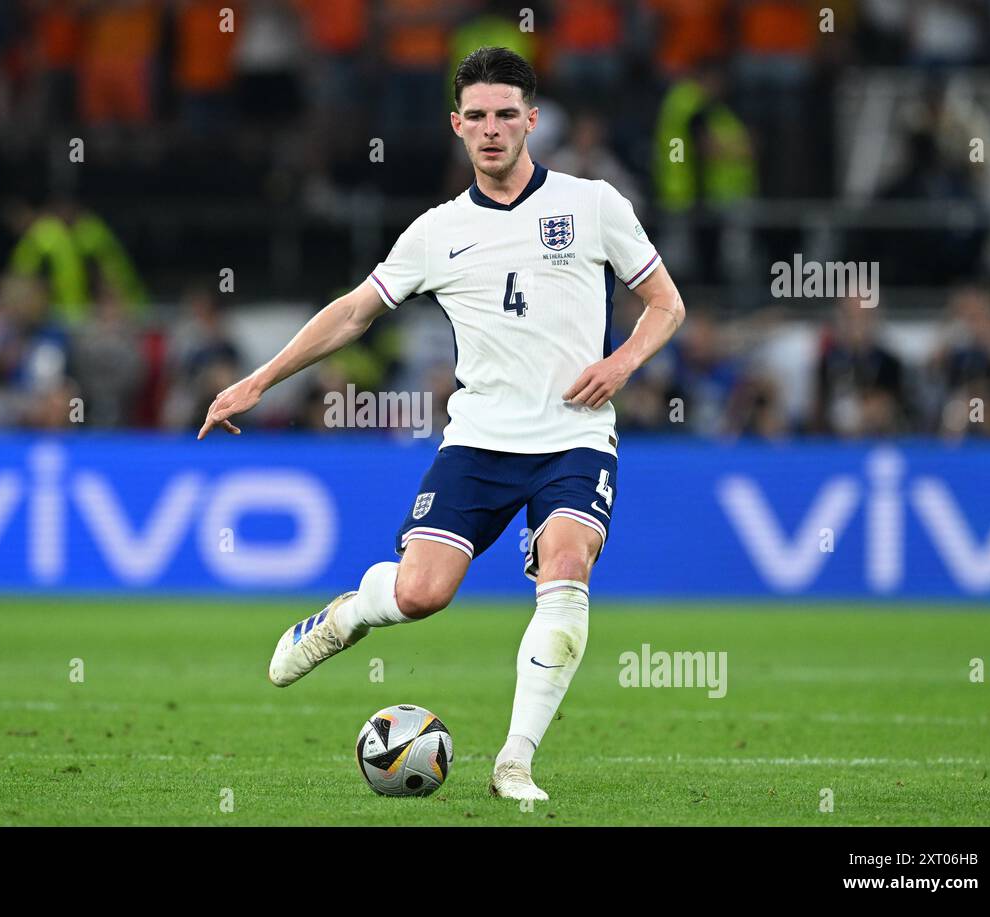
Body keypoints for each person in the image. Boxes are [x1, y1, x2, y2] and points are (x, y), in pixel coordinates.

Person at [197, 48, 686, 801]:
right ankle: (350, 613)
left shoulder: (595, 206)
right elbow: (355, 311)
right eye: (477, 117)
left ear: (531, 119)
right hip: (480, 441)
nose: (492, 131)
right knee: (423, 593)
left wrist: (620, 365)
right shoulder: (436, 231)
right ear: (457, 126)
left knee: (566, 569)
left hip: (575, 437)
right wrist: (259, 379)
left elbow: (667, 304)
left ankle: (514, 762)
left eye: (505, 115)